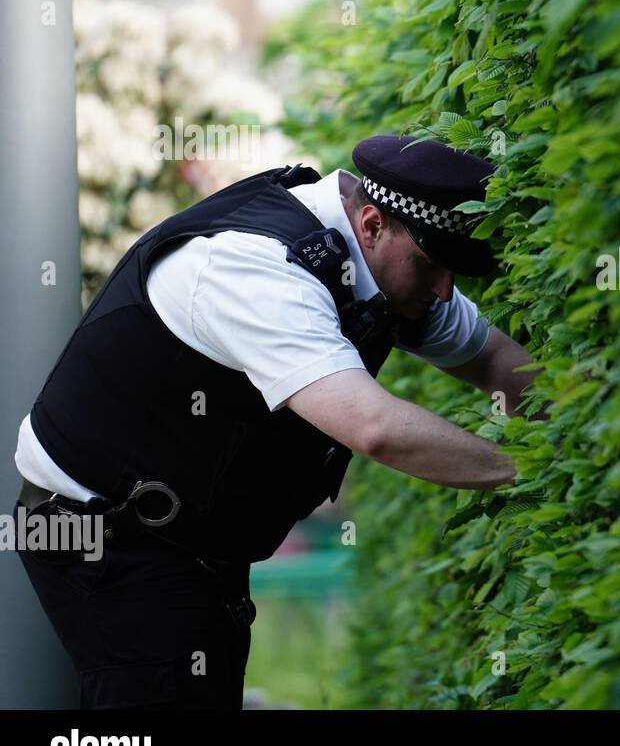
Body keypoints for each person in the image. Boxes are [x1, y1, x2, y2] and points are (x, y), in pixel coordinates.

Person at [11, 134, 541, 709]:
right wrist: (536, 468)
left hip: (182, 536)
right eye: (431, 265)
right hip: (106, 534)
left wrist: (583, 433)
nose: (445, 290)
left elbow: (493, 361)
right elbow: (374, 428)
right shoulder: (257, 269)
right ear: (370, 223)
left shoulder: (379, 267)